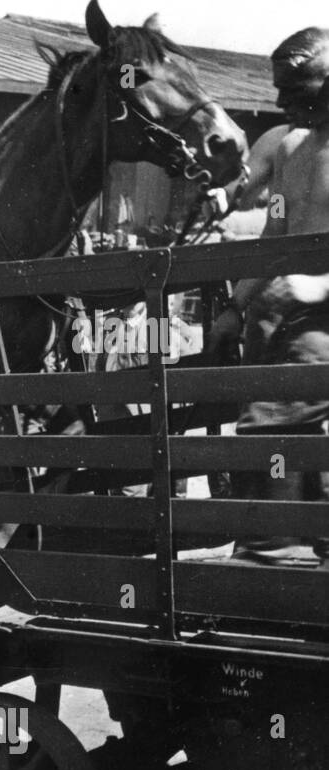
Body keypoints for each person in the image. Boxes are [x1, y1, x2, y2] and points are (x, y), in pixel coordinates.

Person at [212, 28, 329, 567]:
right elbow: (275, 235)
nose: (281, 101)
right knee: (277, 426)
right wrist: (237, 305)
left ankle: (268, 555)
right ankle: (299, 551)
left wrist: (321, 284)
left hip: (321, 321)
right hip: (278, 318)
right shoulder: (291, 148)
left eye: (295, 87)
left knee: (271, 423)